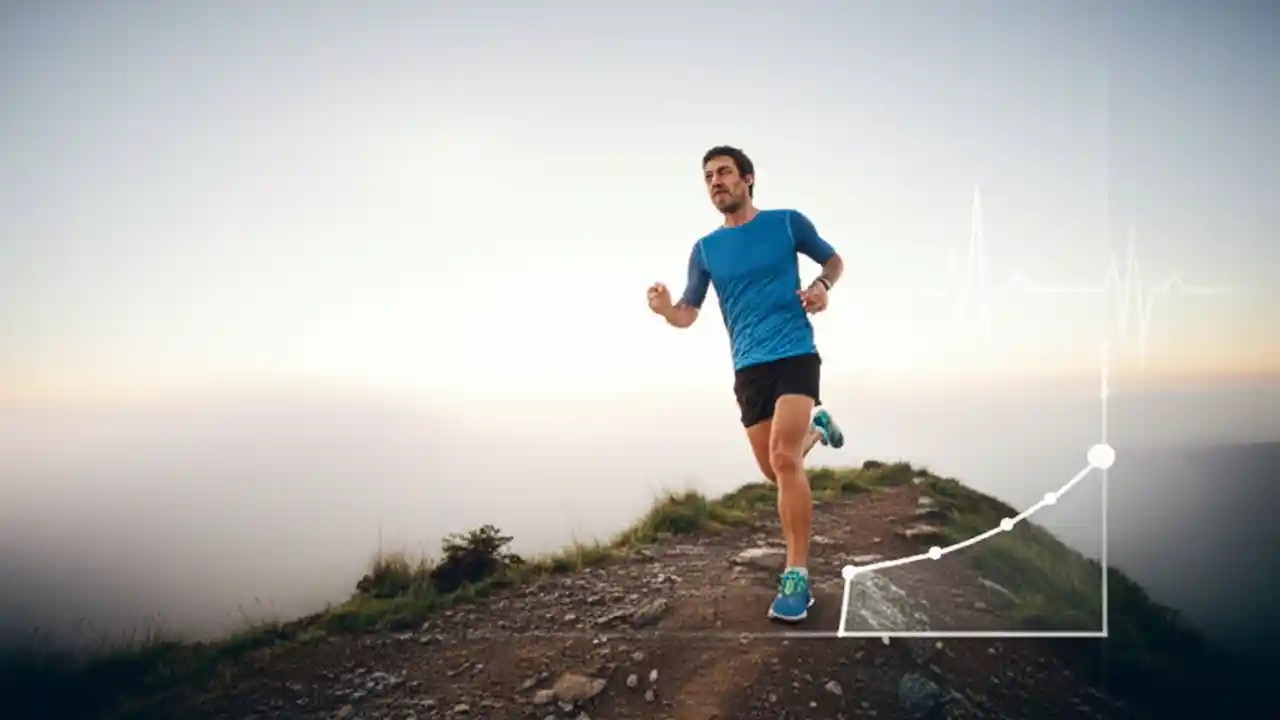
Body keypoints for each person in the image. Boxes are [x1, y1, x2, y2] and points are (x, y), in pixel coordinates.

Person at [646, 145, 846, 623]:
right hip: (748, 368)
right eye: (709, 176)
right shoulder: (705, 250)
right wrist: (665, 310)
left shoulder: (785, 223)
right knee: (776, 470)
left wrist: (822, 287)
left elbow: (834, 260)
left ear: (748, 179)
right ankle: (818, 428)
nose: (716, 181)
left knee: (783, 456)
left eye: (725, 173)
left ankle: (796, 576)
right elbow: (687, 314)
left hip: (795, 352)